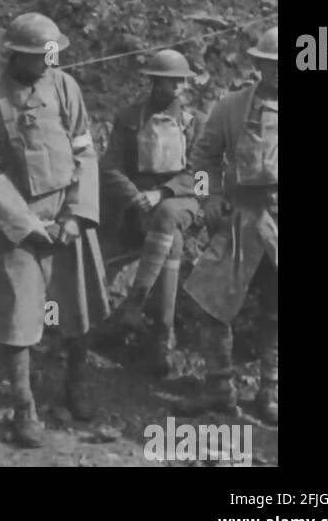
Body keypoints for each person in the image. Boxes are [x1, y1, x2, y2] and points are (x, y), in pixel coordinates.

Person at [0, 13, 111, 448]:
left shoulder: (65, 87)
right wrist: (27, 226)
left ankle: (76, 383)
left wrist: (75, 214)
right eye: (38, 55)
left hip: (67, 214)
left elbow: (85, 149)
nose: (47, 61)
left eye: (51, 54)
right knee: (19, 317)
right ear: (15, 54)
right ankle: (23, 406)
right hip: (15, 225)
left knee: (76, 306)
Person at [180, 27, 279, 425]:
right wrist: (210, 199)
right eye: (270, 65)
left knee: (276, 311)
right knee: (210, 303)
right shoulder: (232, 107)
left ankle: (270, 389)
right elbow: (202, 158)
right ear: (258, 65)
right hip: (240, 217)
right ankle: (219, 386)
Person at [101, 49, 205, 377]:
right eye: (169, 80)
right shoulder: (130, 118)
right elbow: (110, 166)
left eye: (180, 81)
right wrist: (135, 196)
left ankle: (137, 304)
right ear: (154, 81)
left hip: (184, 198)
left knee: (169, 213)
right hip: (141, 207)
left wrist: (163, 192)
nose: (175, 87)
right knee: (170, 238)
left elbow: (201, 172)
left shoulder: (195, 121)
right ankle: (163, 338)